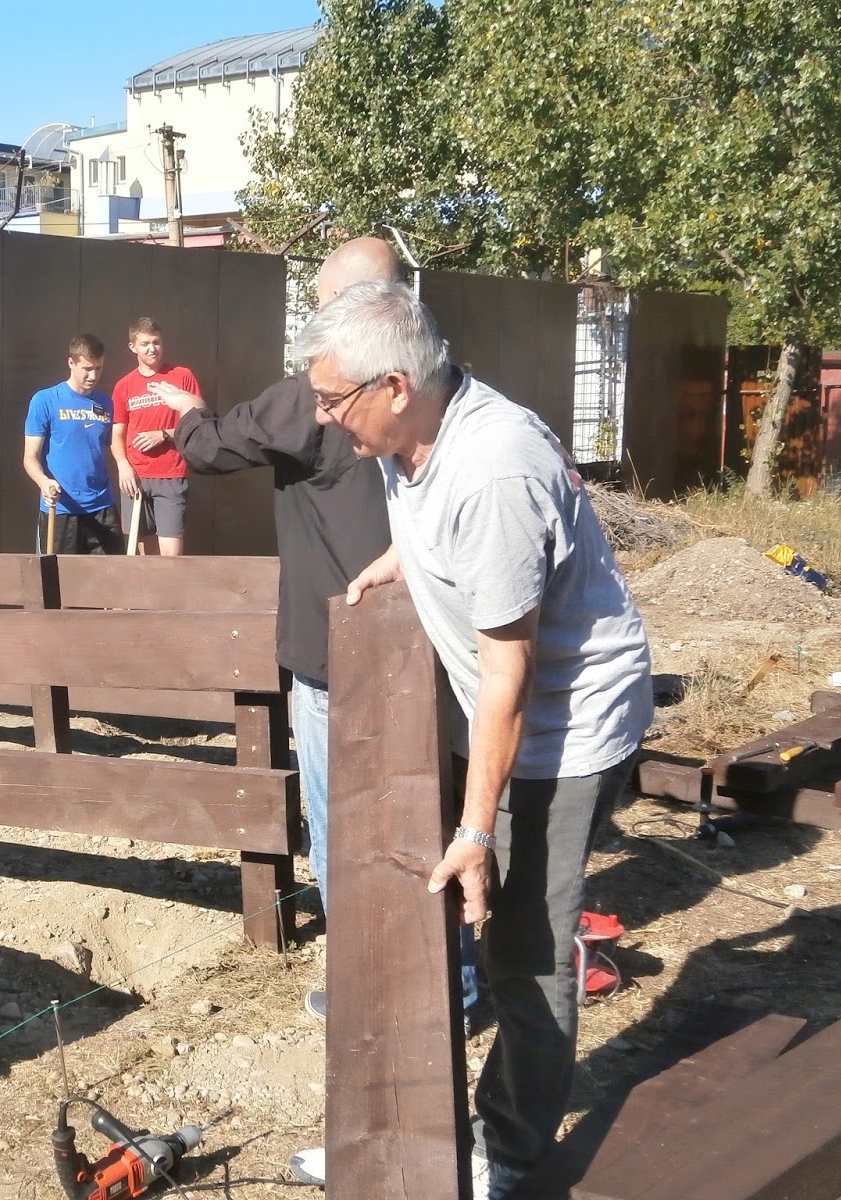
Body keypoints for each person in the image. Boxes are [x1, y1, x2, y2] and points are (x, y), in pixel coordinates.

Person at [307, 280, 653, 1198]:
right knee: (491, 921)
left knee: (526, 946)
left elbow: (511, 678)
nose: (322, 415)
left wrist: (473, 829)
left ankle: (510, 1152)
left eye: (333, 398)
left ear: (395, 386)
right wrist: (404, 560)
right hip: (509, 708)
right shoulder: (407, 436)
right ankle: (434, 1134)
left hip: (566, 727)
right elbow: (439, 524)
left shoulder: (495, 469)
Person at [149, 239, 405, 1001]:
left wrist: (188, 413)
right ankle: (444, 974)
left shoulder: (313, 395)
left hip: (333, 644)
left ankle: (366, 982)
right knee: (421, 803)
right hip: (421, 637)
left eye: (321, 306)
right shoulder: (427, 385)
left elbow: (215, 447)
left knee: (337, 813)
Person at [23, 333, 123, 554]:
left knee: (112, 573)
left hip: (102, 508)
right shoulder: (45, 400)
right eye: (87, 368)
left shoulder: (105, 403)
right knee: (59, 574)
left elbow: (112, 444)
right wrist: (43, 482)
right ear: (71, 363)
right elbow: (30, 457)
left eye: (98, 368)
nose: (93, 375)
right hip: (61, 509)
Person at [110, 317, 200, 555]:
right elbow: (117, 434)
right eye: (145, 343)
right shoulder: (124, 385)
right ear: (133, 347)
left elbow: (199, 424)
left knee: (170, 558)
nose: (152, 348)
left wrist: (164, 435)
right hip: (135, 479)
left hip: (170, 476)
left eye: (156, 342)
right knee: (143, 559)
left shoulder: (181, 376)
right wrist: (122, 466)